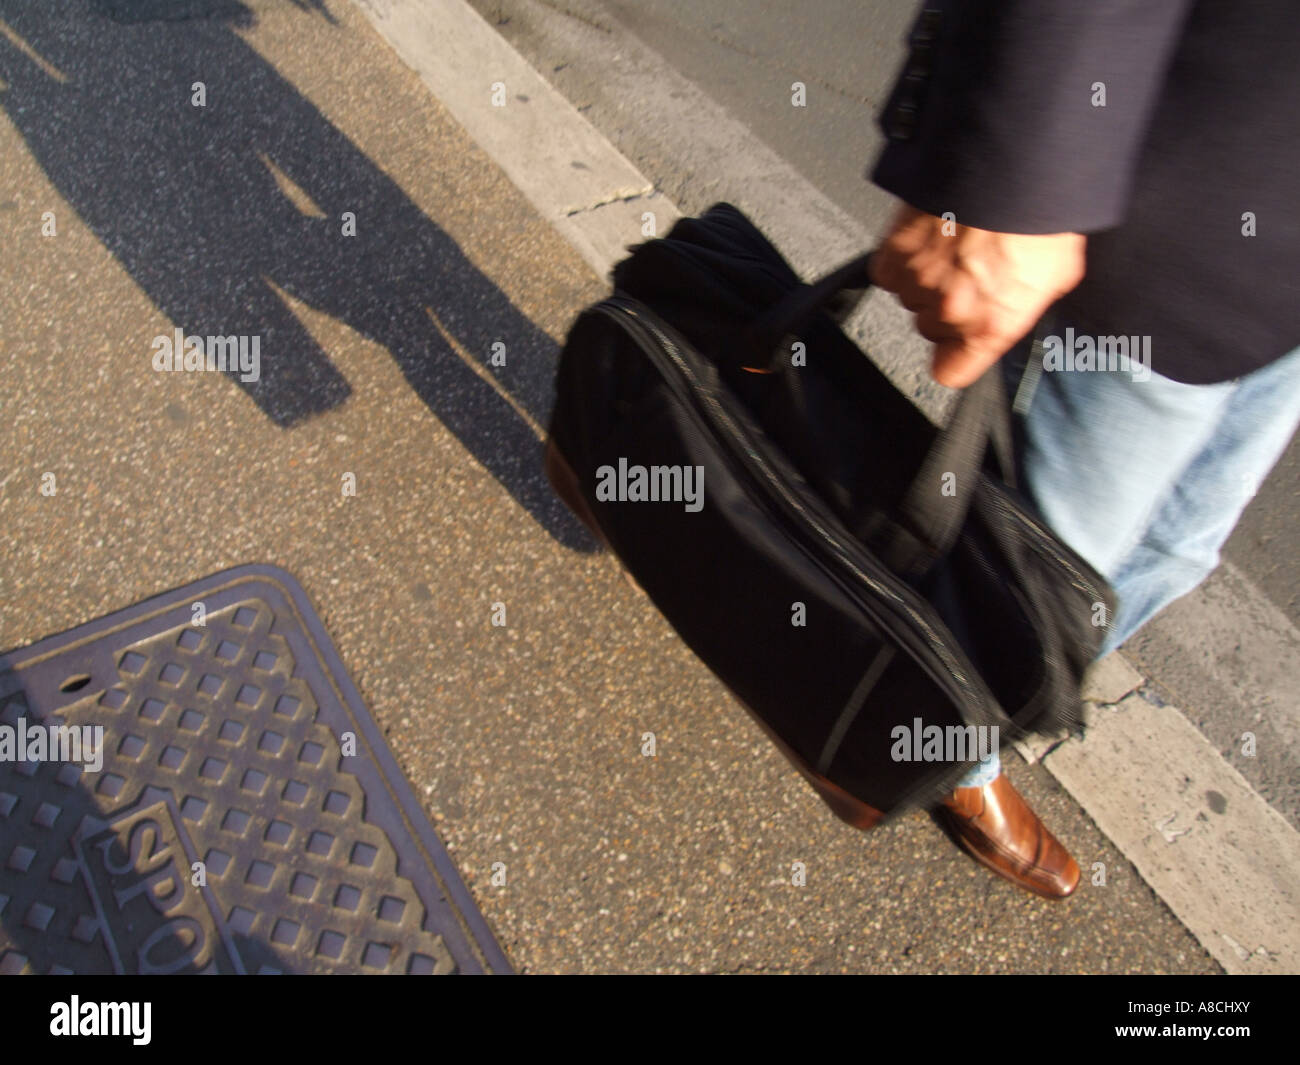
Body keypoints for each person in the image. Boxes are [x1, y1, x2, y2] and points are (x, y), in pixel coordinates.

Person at [867, 0, 1300, 899]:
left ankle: (940, 702)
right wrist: (1023, 167)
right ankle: (923, 728)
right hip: (1171, 208)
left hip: (1278, 284)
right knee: (1043, 559)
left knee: (1175, 548)